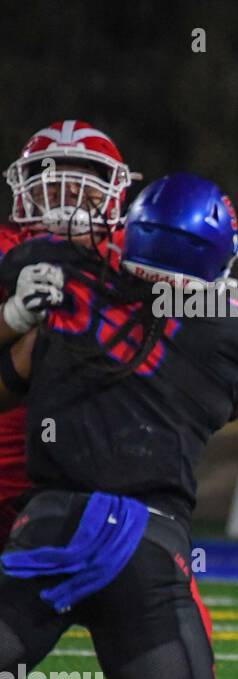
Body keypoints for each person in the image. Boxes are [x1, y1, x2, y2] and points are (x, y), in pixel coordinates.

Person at [0, 173, 238, 679]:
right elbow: (236, 388)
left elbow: (14, 375)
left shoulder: (62, 279)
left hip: (49, 527)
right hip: (145, 548)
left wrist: (16, 318)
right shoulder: (237, 331)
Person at [0, 120, 135, 540]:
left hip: (110, 465)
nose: (68, 193)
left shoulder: (138, 251)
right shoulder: (6, 245)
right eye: (54, 181)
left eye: (82, 182)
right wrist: (13, 317)